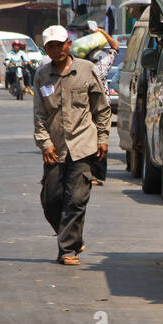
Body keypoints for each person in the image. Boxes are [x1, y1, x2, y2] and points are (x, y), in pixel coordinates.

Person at [33, 24, 111, 265]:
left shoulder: (86, 70)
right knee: (51, 199)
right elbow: (39, 115)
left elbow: (101, 108)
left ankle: (67, 250)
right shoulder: (42, 75)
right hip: (55, 148)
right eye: (51, 47)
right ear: (46, 50)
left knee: (76, 199)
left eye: (60, 45)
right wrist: (45, 144)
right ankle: (72, 237)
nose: (57, 50)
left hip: (83, 145)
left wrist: (103, 139)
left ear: (69, 44)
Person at [86, 22, 120, 185]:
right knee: (100, 140)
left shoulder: (82, 67)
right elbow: (115, 47)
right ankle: (95, 174)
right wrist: (103, 33)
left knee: (92, 140)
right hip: (101, 108)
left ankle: (92, 174)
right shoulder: (102, 66)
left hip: (92, 108)